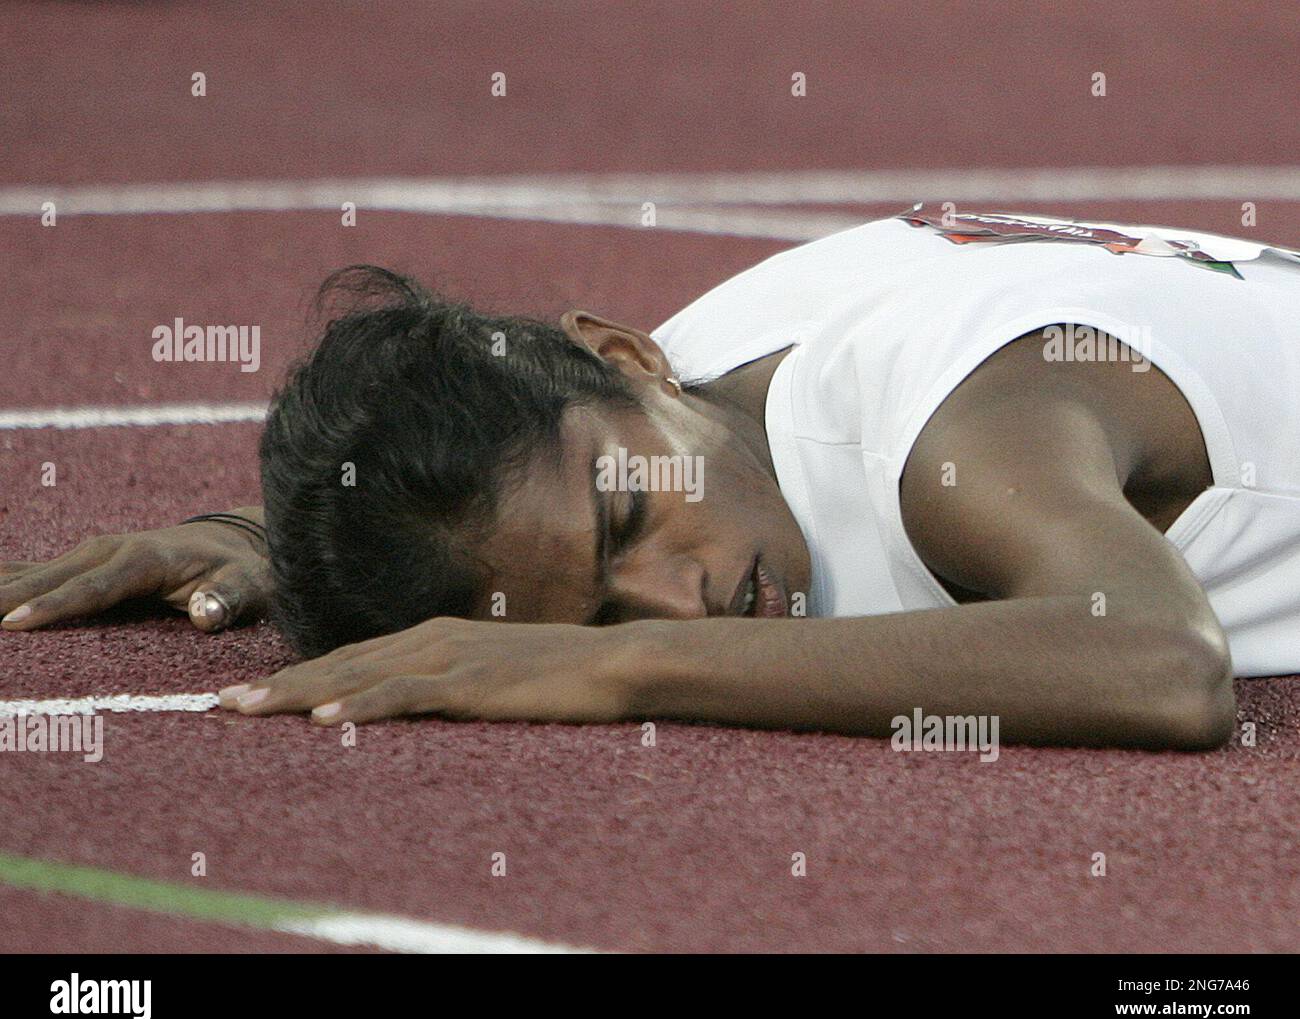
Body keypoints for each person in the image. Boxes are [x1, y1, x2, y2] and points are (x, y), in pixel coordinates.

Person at [5, 211, 1300, 749]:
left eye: (628, 518)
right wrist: (281, 542)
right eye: (611, 615)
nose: (682, 605)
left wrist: (600, 667)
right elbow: (528, 529)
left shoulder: (953, 440)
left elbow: (1155, 664)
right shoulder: (688, 378)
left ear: (626, 358)